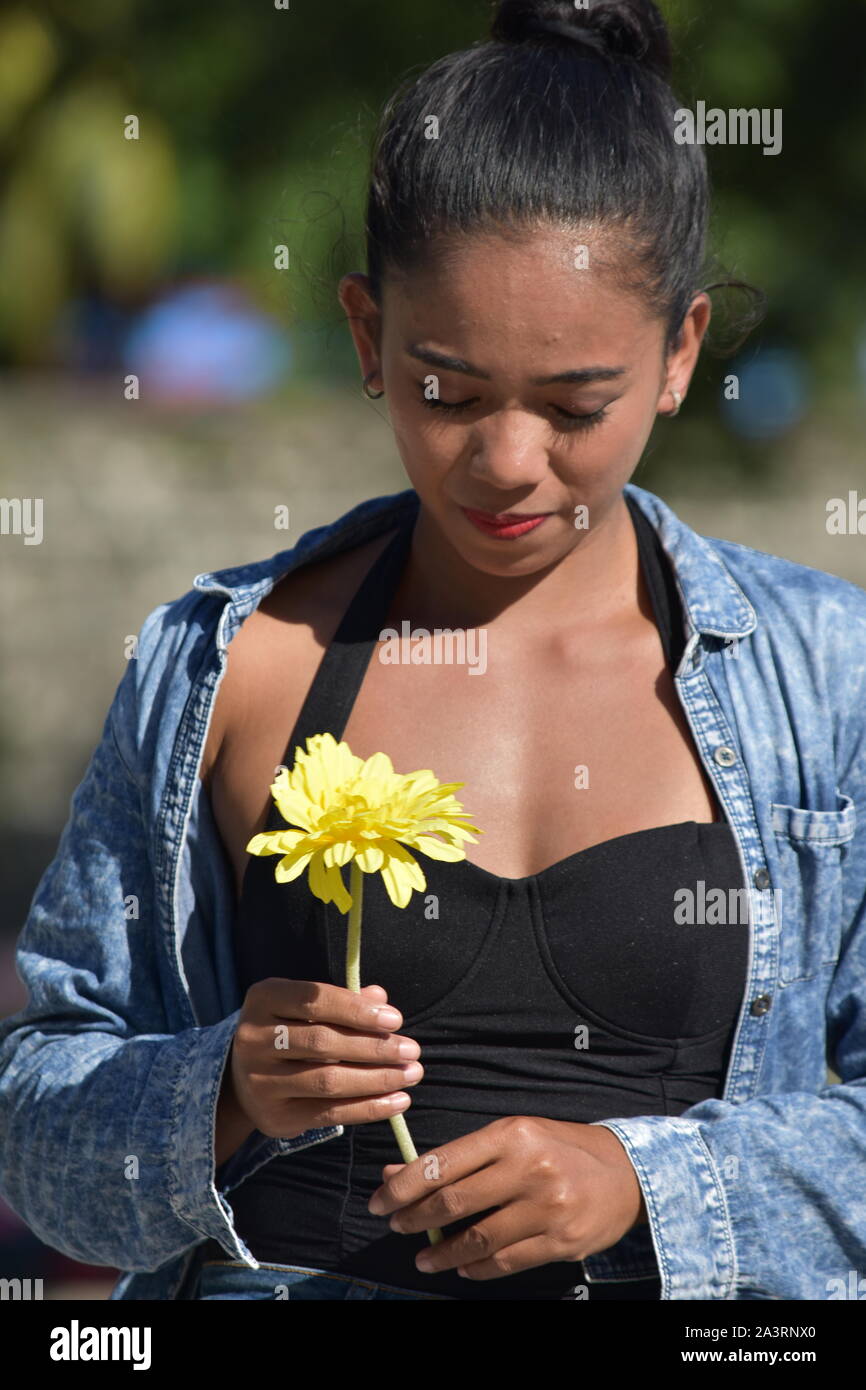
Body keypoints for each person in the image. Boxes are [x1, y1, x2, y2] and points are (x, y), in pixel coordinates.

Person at [1, 0, 865, 1303]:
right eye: (445, 391)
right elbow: (40, 1133)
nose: (507, 461)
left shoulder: (827, 669)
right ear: (364, 335)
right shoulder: (226, 660)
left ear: (680, 352)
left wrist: (646, 1182)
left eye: (576, 403)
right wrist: (218, 1087)